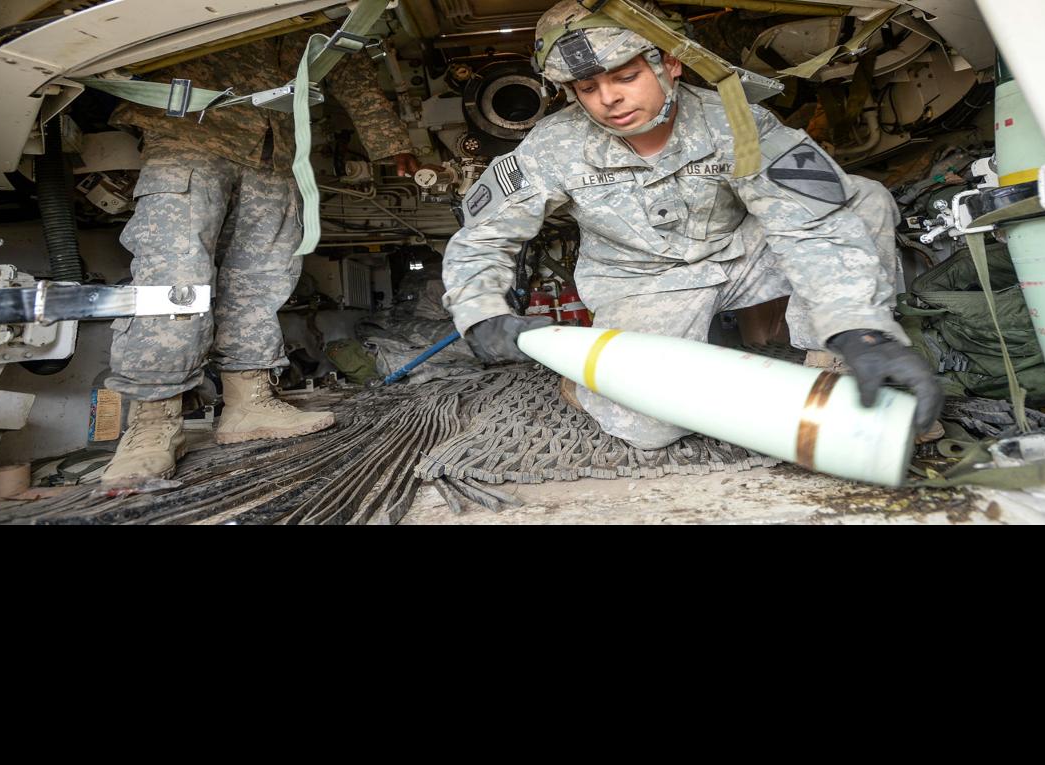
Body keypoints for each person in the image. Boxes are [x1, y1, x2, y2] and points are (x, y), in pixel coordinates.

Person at [441, 0, 943, 452]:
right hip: (642, 283)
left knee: (861, 200)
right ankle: (584, 384)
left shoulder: (735, 120)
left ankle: (837, 368)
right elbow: (483, 236)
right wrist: (480, 311)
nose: (608, 99)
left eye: (625, 76)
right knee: (649, 429)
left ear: (670, 64)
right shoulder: (553, 147)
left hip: (742, 257)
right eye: (587, 88)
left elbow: (812, 223)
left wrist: (859, 330)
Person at [101, 26, 420, 484]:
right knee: (172, 278)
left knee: (263, 279)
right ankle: (153, 424)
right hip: (189, 133)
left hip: (277, 150)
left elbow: (347, 61)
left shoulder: (315, 15)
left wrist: (391, 142)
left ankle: (248, 403)